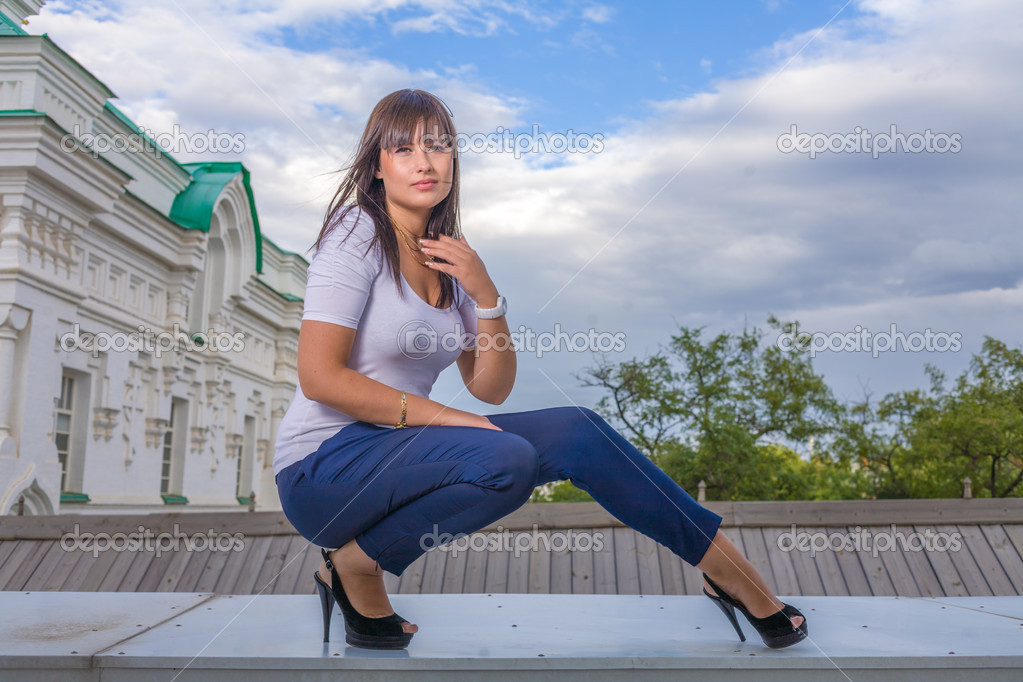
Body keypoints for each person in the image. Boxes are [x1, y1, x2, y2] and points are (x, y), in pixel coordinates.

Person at [273, 89, 808, 651]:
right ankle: (356, 567)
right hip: (323, 469)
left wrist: (485, 294)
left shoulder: (449, 258)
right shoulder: (356, 232)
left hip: (400, 452)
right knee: (506, 457)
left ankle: (729, 572)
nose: (425, 162)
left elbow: (491, 386)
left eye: (438, 146)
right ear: (377, 166)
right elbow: (321, 378)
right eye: (403, 149)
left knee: (579, 430)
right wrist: (453, 421)